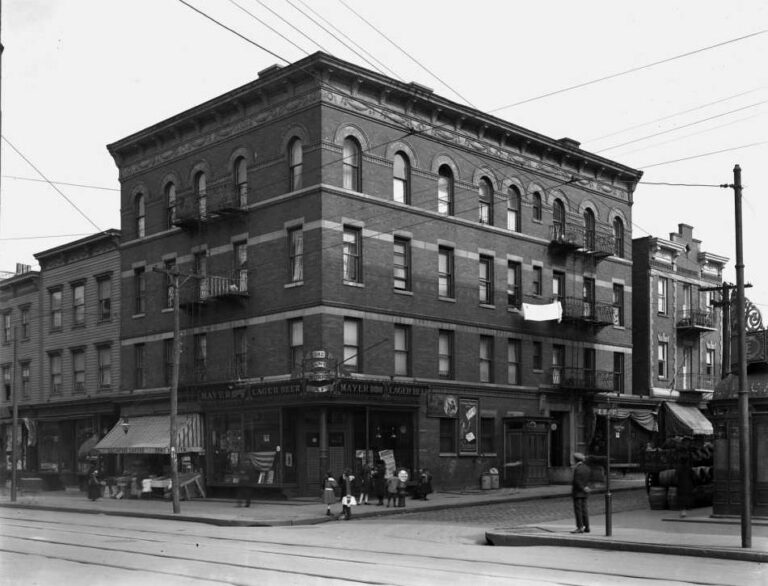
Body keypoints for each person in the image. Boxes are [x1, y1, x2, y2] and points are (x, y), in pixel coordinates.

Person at [571, 452, 591, 534]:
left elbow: (577, 481)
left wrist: (582, 488)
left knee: (578, 511)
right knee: (584, 510)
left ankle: (579, 527)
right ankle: (587, 527)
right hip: (585, 492)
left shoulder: (577, 468)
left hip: (578, 492)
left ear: (576, 460)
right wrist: (586, 487)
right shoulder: (587, 468)